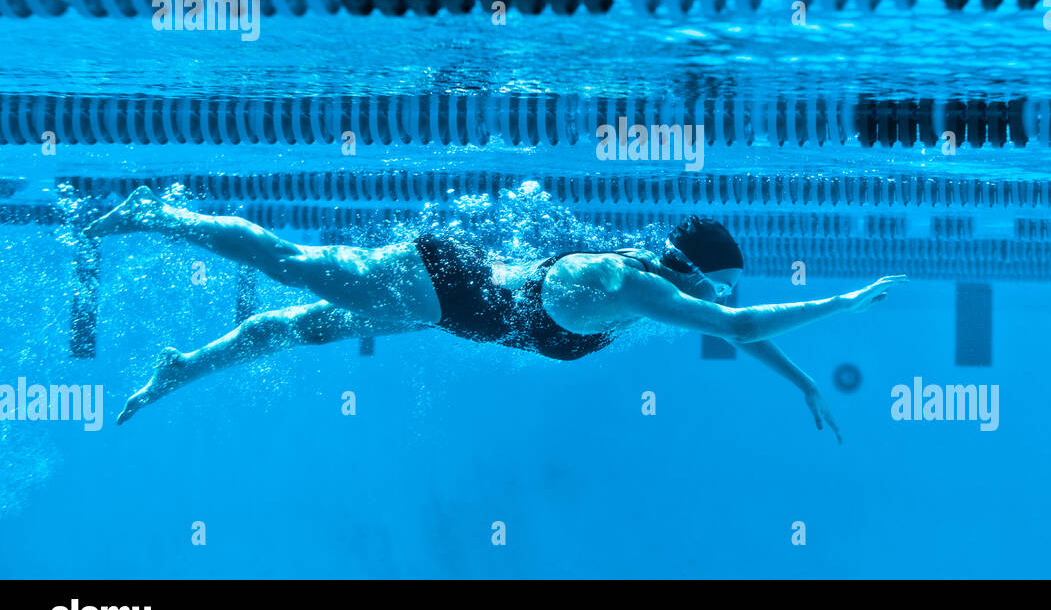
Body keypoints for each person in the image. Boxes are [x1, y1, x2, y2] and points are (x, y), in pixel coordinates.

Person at [86, 187, 906, 439]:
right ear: (694, 273)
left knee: (298, 330)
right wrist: (846, 300)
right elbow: (735, 327)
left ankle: (178, 368)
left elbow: (734, 328)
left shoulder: (656, 291)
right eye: (722, 288)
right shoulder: (631, 285)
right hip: (437, 285)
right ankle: (159, 212)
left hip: (442, 305)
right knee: (295, 268)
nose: (721, 304)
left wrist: (798, 381)